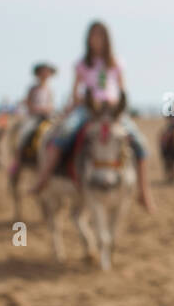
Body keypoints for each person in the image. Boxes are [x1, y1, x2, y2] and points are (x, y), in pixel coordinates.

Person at [32, 21, 154, 211]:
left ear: (107, 39)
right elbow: (75, 91)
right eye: (93, 36)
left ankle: (143, 191)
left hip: (112, 111)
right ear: (88, 39)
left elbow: (122, 89)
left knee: (139, 142)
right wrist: (80, 103)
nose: (96, 40)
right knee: (64, 132)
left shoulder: (116, 62)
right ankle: (44, 177)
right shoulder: (82, 64)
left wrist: (115, 105)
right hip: (87, 109)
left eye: (100, 36)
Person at [10, 64, 57, 180]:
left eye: (47, 72)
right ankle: (18, 160)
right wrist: (37, 109)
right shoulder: (33, 89)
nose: (45, 75)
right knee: (24, 133)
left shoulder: (50, 90)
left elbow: (51, 105)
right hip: (34, 117)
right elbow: (29, 103)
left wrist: (48, 110)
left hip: (48, 117)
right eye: (43, 72)